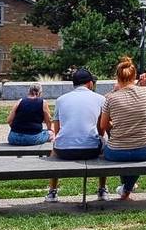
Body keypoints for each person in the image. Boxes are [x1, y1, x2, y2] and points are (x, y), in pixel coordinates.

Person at [98, 56, 146, 200]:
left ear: (117, 77)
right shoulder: (145, 92)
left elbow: (103, 125)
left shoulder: (111, 98)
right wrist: (140, 85)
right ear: (135, 76)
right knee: (142, 148)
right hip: (145, 150)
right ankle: (127, 188)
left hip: (116, 152)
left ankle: (126, 187)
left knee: (123, 148)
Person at [46, 68, 110, 202]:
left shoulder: (61, 100)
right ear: (90, 84)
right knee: (104, 143)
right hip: (90, 149)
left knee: (54, 149)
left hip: (63, 150)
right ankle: (102, 190)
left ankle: (52, 192)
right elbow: (101, 130)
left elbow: (57, 130)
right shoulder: (100, 99)